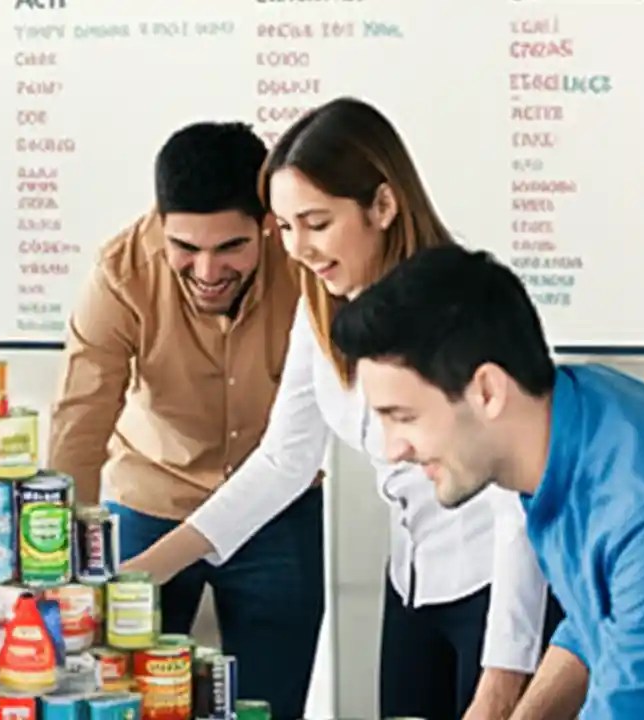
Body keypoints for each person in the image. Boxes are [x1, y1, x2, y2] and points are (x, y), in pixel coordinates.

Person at [122, 98, 562, 720]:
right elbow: (284, 460)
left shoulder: (465, 310)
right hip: (411, 583)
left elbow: (518, 505)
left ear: (382, 205)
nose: (298, 248)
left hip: (501, 593)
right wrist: (144, 568)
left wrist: (501, 679)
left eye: (317, 223)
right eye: (285, 227)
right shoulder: (323, 303)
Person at [331, 244, 644, 718]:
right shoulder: (565, 426)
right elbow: (597, 620)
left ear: (488, 391)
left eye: (404, 416)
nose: (394, 449)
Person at [48, 121, 324, 718]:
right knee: (132, 700)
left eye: (230, 248)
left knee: (269, 705)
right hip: (150, 500)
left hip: (278, 509)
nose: (206, 270)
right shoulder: (120, 273)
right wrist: (62, 564)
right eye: (186, 248)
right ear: (160, 223)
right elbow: (80, 424)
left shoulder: (308, 266)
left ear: (267, 225)